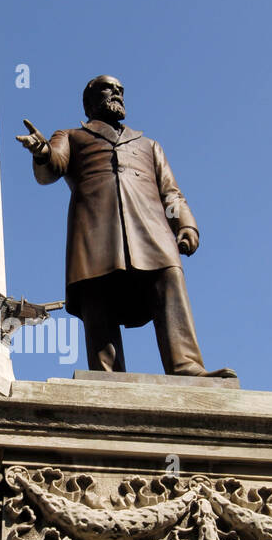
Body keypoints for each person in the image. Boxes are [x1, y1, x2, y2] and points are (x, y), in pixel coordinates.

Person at [18, 76, 235, 376]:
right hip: (96, 230)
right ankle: (107, 376)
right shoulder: (71, 135)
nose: (117, 93)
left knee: (169, 281)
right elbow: (53, 166)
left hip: (151, 228)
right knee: (98, 297)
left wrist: (185, 223)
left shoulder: (148, 144)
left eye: (120, 90)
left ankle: (187, 367)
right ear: (89, 102)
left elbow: (170, 191)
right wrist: (42, 151)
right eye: (109, 89)